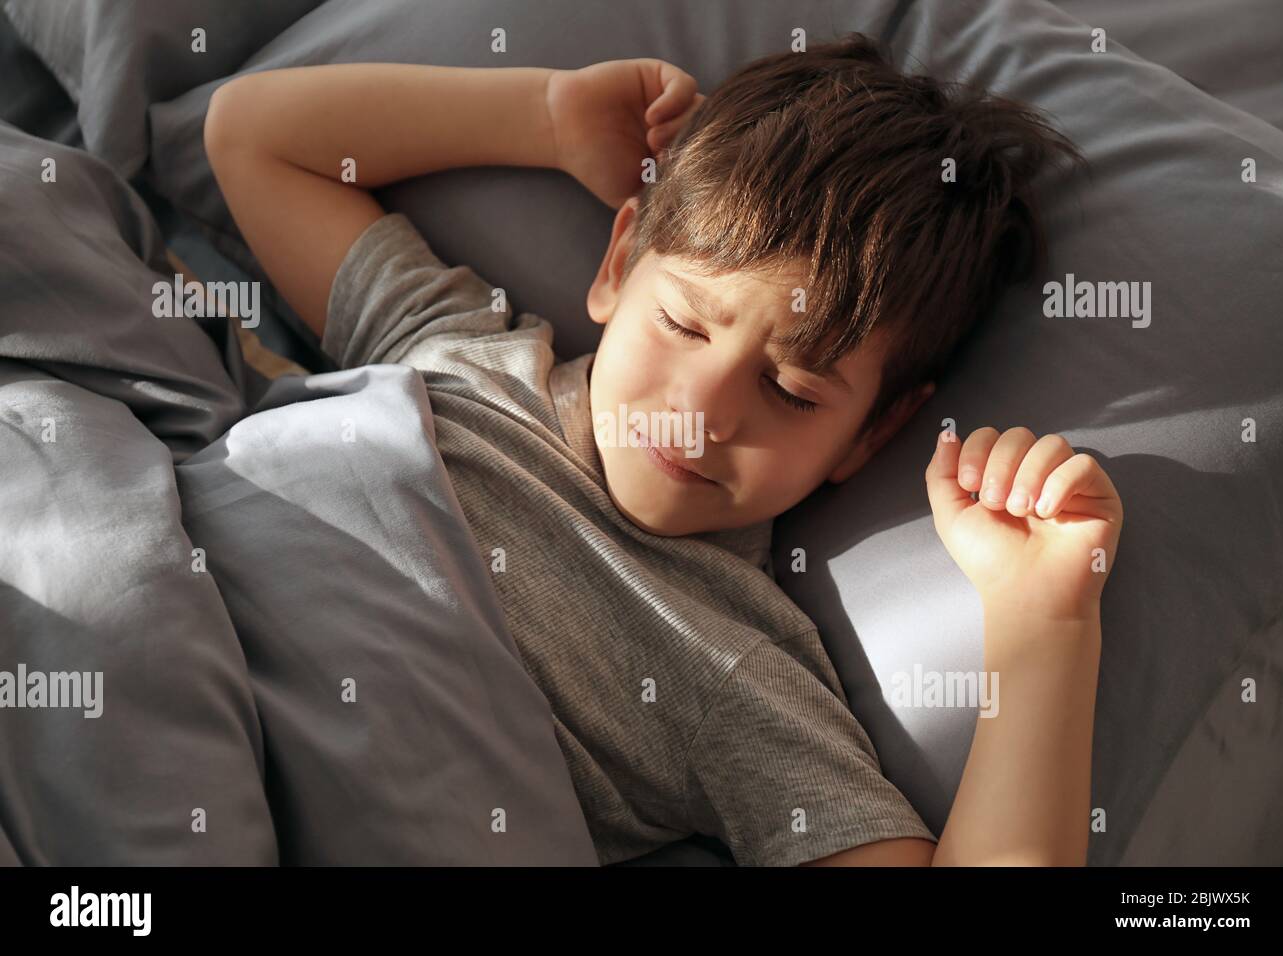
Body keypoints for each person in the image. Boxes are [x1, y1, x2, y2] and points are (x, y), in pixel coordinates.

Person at [204, 32, 1123, 866]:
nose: (703, 408)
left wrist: (1045, 623)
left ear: (872, 433)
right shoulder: (454, 346)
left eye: (791, 391)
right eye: (684, 323)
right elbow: (250, 134)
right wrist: (545, 118)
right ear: (617, 268)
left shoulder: (733, 670)